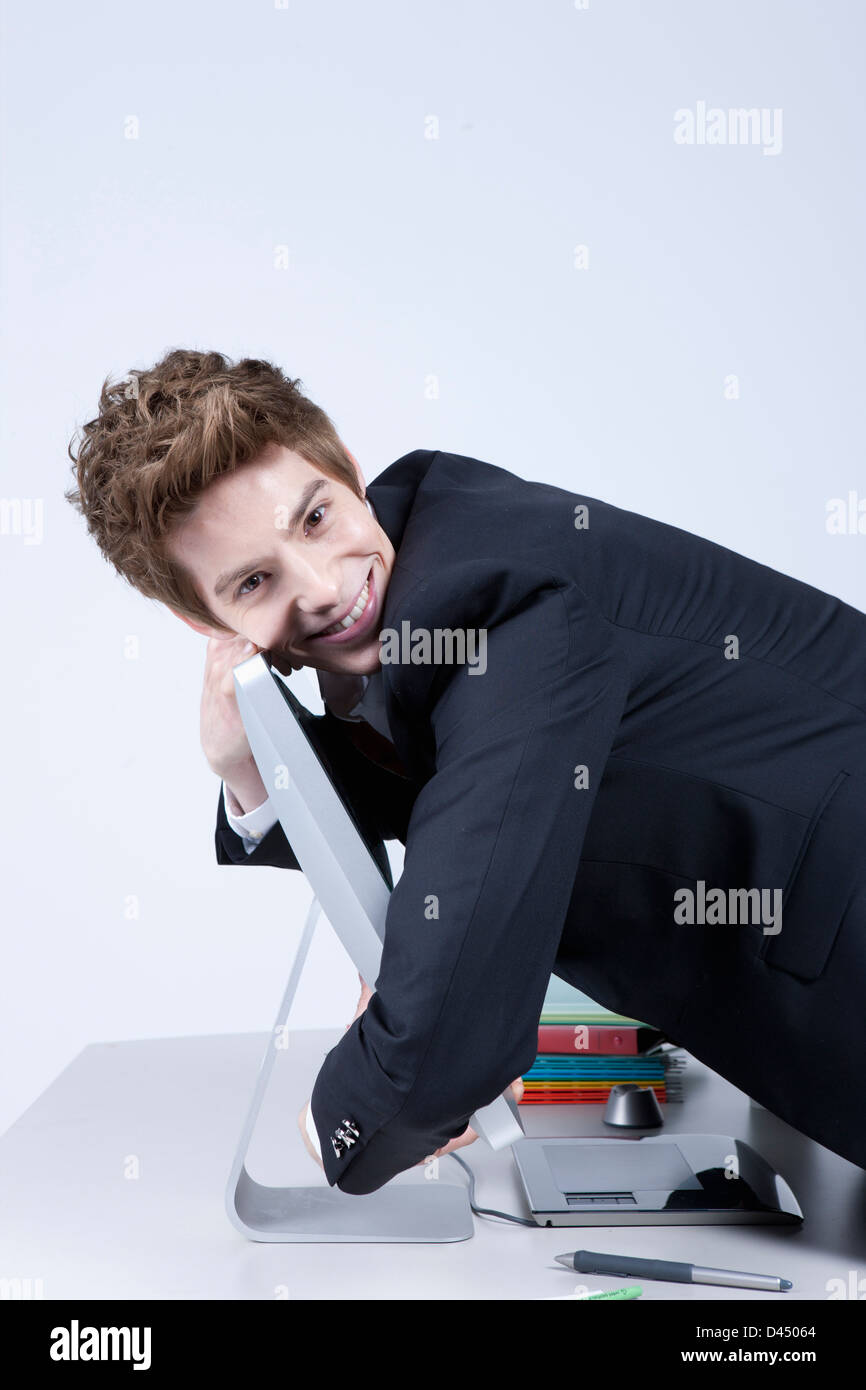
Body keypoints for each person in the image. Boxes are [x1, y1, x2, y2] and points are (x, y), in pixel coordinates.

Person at [66, 349, 866, 1195]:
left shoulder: (494, 607)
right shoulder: (432, 565)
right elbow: (445, 786)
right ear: (206, 619)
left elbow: (442, 1043)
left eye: (314, 518)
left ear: (344, 465)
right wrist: (246, 770)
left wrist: (335, 1120)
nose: (326, 586)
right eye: (256, 581)